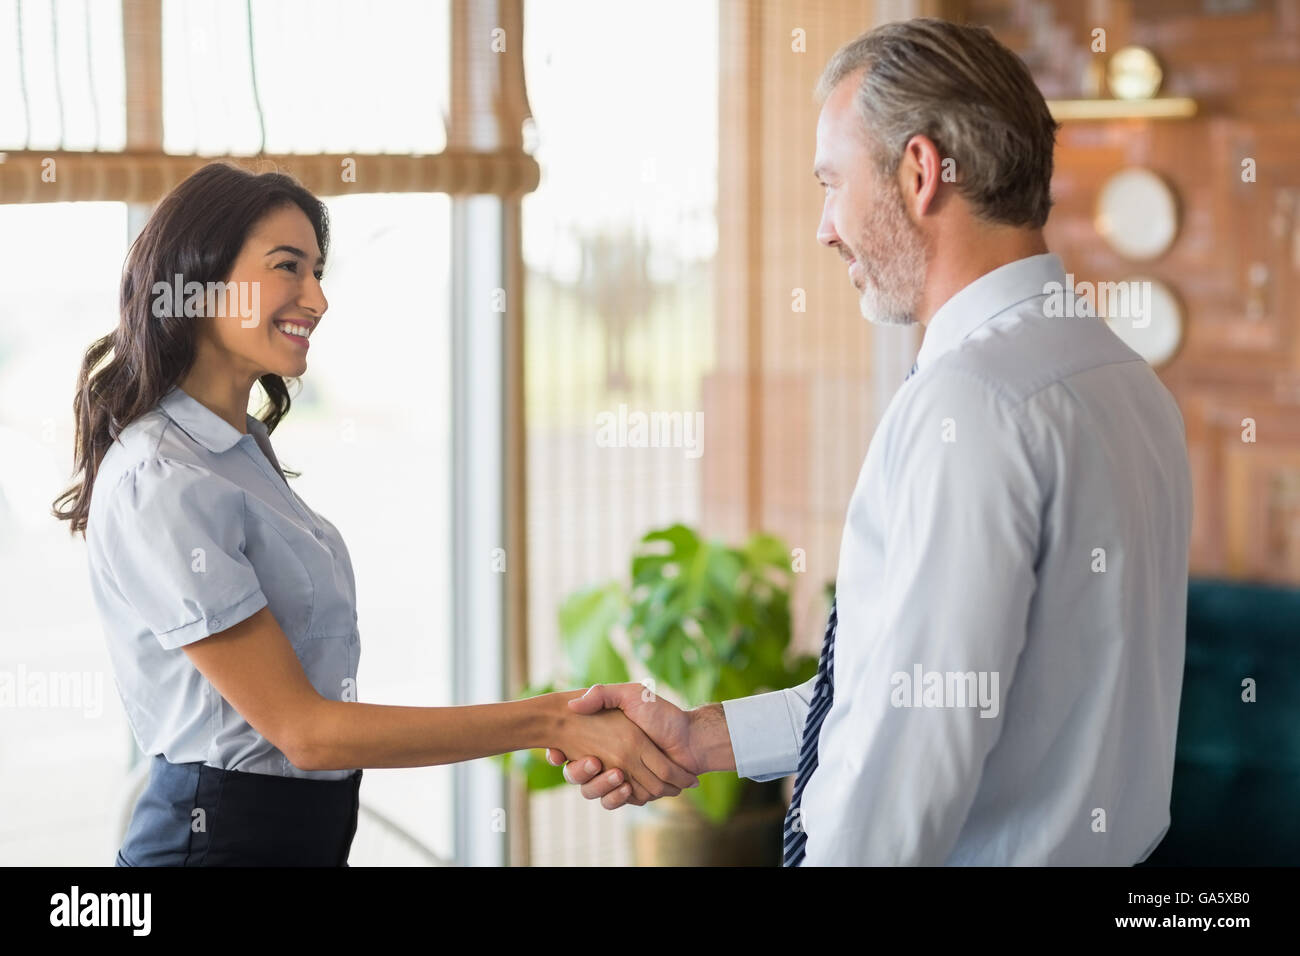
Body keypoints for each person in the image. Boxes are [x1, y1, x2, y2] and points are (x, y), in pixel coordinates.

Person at [548, 18, 1193, 866]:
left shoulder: (971, 406)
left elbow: (903, 784)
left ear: (920, 172)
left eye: (830, 182)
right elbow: (910, 689)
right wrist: (704, 739)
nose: (824, 228)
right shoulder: (1123, 377)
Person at [53, 161, 697, 867]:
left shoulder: (239, 448)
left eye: (318, 271)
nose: (318, 299)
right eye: (288, 267)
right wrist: (552, 721)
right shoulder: (163, 477)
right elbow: (306, 731)